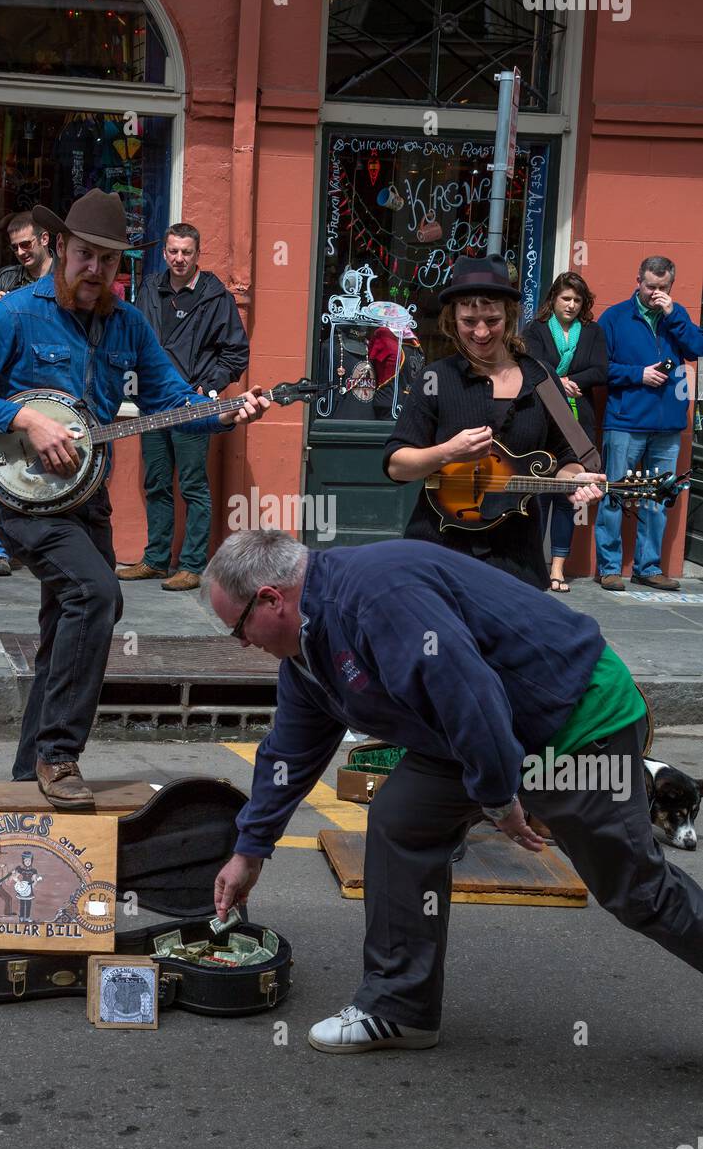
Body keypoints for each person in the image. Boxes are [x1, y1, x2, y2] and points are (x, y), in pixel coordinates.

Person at [206, 528, 703, 1054]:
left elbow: (469, 694)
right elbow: (291, 749)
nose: (242, 643)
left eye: (237, 628)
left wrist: (497, 797)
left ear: (270, 599)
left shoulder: (377, 596)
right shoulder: (307, 645)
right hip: (474, 734)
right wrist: (250, 849)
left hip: (572, 721)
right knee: (403, 821)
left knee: (635, 889)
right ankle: (400, 1008)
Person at [0, 190, 269, 809]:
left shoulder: (128, 324)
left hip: (88, 502)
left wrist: (226, 413)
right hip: (26, 502)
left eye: (110, 262)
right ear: (60, 248)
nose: (96, 271)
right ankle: (61, 755)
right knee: (96, 595)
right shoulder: (16, 314)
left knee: (67, 630)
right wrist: (23, 417)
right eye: (86, 256)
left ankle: (28, 771)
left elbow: (171, 405)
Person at [383, 255, 604, 590]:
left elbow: (565, 455)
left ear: (510, 316)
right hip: (439, 551)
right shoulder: (435, 378)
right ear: (452, 319)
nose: (481, 332)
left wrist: (575, 481)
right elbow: (397, 466)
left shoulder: (541, 378)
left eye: (492, 319)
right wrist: (447, 452)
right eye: (469, 320)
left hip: (516, 560)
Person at [117, 223, 249, 592]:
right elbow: (134, 336)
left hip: (192, 405)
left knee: (192, 485)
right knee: (156, 482)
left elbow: (236, 350)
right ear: (164, 253)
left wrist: (209, 385)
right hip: (154, 403)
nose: (179, 258)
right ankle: (156, 560)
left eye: (186, 252)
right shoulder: (149, 288)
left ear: (197, 254)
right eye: (173, 251)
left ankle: (192, 565)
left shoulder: (215, 296)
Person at [594, 255, 703, 591]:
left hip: (667, 425)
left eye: (663, 287)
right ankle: (610, 567)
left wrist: (674, 317)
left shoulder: (677, 315)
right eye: (650, 286)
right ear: (637, 280)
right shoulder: (614, 317)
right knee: (614, 495)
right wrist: (637, 374)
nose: (656, 292)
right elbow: (600, 368)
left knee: (658, 498)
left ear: (671, 285)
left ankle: (648, 566)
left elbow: (696, 348)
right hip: (625, 420)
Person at [0, 213, 55, 576]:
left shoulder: (64, 280)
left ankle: (36, 548)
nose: (21, 252)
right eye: (15, 247)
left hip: (53, 394)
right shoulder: (5, 281)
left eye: (27, 244)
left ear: (45, 239)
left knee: (45, 475)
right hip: (9, 395)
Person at [524, 272, 608, 592]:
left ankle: (557, 568)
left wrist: (575, 382)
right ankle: (534, 564)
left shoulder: (592, 332)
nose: (571, 305)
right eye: (566, 299)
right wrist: (559, 382)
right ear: (553, 300)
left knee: (568, 497)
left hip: (578, 423)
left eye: (577, 300)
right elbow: (531, 364)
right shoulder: (535, 330)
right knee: (540, 495)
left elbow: (601, 369)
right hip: (542, 420)